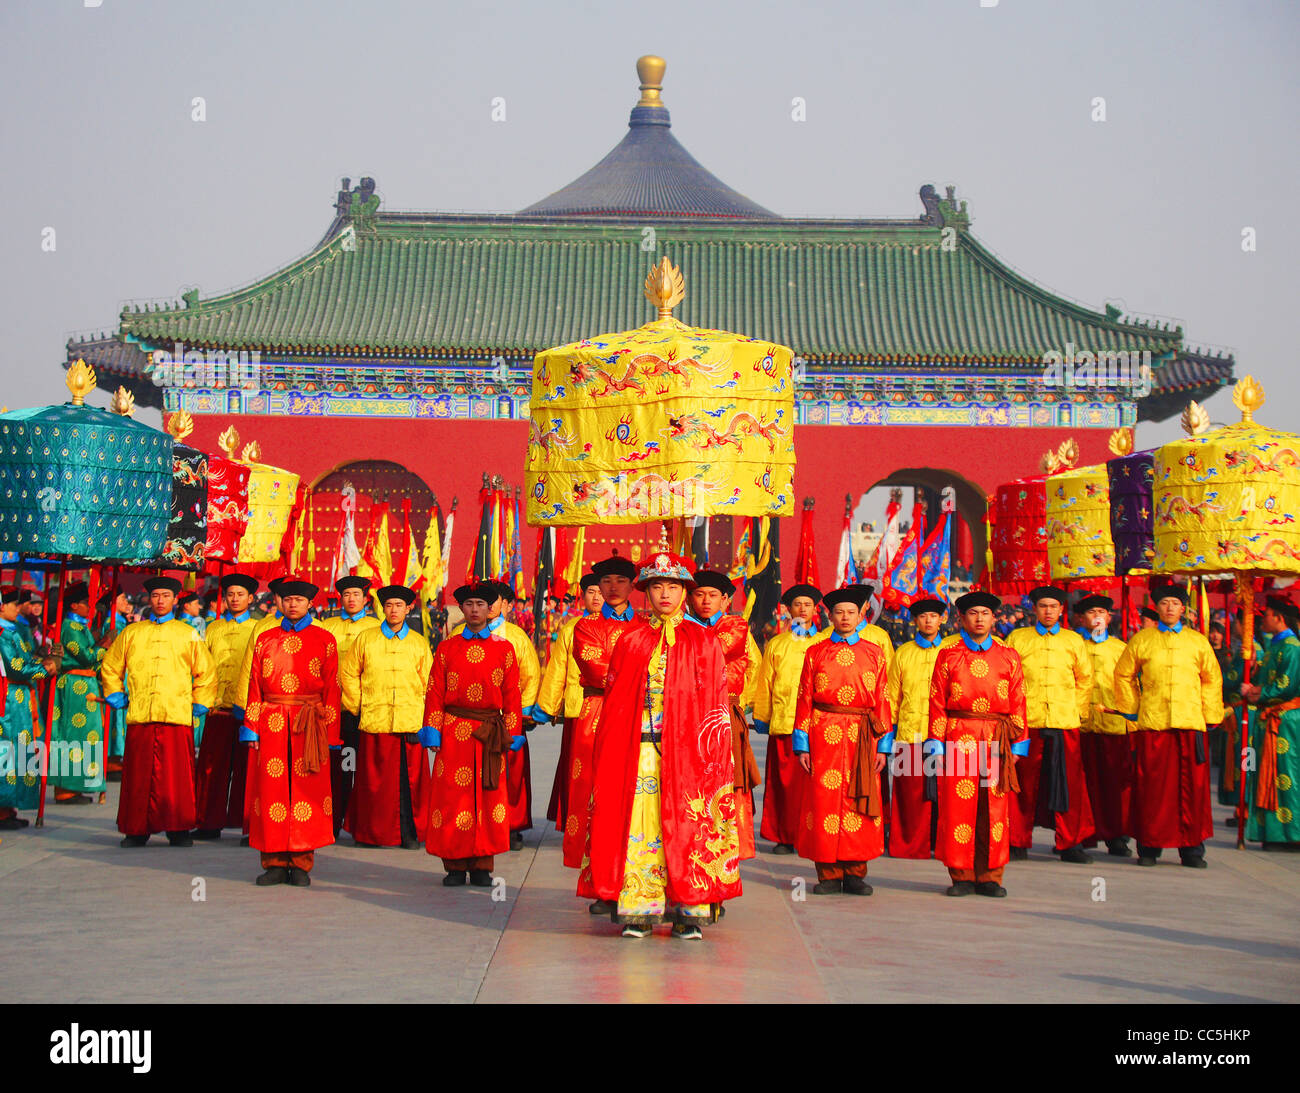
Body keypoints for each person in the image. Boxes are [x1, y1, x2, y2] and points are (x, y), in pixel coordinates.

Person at [578, 549, 741, 940]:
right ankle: (640, 908)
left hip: (691, 755)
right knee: (643, 826)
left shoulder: (704, 642)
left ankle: (689, 909)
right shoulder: (631, 640)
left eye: (672, 586)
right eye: (656, 587)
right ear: (645, 592)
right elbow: (615, 703)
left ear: (684, 591)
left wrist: (714, 753)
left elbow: (716, 703)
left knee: (689, 826)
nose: (665, 594)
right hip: (642, 750)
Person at [925, 590, 1029, 896]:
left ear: (994, 618)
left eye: (985, 613)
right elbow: (936, 701)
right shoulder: (949, 655)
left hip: (997, 736)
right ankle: (961, 875)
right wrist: (937, 744)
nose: (979, 618)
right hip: (960, 733)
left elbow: (1019, 700)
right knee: (959, 807)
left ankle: (991, 876)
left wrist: (1019, 744)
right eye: (973, 613)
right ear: (961, 619)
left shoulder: (1008, 656)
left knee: (995, 808)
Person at [420, 582, 523, 887]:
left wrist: (512, 733)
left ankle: (482, 864)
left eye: (481, 604)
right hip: (454, 731)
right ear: (462, 609)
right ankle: (453, 864)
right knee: (453, 800)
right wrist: (433, 732)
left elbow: (512, 694)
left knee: (487, 798)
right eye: (470, 604)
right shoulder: (446, 648)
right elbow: (434, 692)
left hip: (489, 732)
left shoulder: (504, 649)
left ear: (490, 609)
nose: (475, 609)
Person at [1113, 584, 1224, 868]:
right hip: (1154, 722)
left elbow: (1212, 678)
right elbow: (1123, 674)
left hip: (1189, 723)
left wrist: (1210, 715)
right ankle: (1149, 847)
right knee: (1153, 788)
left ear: (1184, 609)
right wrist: (1133, 708)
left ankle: (1192, 849)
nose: (1170, 608)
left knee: (1192, 789)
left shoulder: (1198, 641)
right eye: (1165, 603)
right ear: (1157, 607)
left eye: (1176, 603)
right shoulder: (1142, 640)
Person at [101, 576, 216, 848]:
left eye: (166, 596)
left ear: (175, 600)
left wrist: (201, 700)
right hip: (141, 712)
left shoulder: (187, 633)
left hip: (175, 713)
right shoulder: (132, 632)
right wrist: (114, 692)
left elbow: (206, 671)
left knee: (176, 777)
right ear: (149, 599)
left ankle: (178, 828)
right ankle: (136, 829)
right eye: (156, 596)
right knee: (138, 777)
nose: (160, 600)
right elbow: (111, 665)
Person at [792, 586, 892, 894]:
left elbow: (883, 700)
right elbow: (804, 699)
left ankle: (855, 872)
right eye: (839, 612)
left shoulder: (874, 653)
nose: (845, 618)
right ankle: (828, 873)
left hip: (863, 734)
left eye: (851, 612)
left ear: (862, 614)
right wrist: (802, 744)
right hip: (824, 732)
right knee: (823, 803)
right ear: (830, 615)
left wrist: (884, 746)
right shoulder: (815, 652)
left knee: (859, 801)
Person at [241, 578, 342, 886]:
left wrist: (330, 732)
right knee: (270, 791)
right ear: (280, 603)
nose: (293, 604)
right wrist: (252, 727)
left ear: (310, 603)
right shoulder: (265, 639)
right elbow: (254, 685)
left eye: (299, 600)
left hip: (309, 721)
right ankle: (273, 861)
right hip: (271, 719)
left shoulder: (325, 640)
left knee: (305, 791)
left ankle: (300, 862)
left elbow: (333, 688)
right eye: (287, 600)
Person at [555, 555, 641, 914]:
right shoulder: (585, 627)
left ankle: (637, 884)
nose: (613, 587)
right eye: (606, 582)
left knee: (638, 799)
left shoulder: (648, 625)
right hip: (598, 714)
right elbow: (594, 668)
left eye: (620, 581)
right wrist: (638, 679)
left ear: (632, 585)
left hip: (641, 716)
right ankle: (601, 885)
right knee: (597, 801)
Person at [1006, 585, 1095, 863]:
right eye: (1043, 606)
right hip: (1027, 721)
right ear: (1034, 609)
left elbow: (1085, 680)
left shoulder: (1073, 641)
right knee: (1021, 783)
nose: (1048, 611)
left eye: (1053, 607)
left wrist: (1077, 712)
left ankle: (1070, 841)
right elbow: (1008, 678)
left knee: (1069, 783)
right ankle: (1016, 839)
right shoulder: (1018, 638)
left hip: (1063, 720)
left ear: (1061, 610)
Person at [340, 584, 433, 849]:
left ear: (408, 609)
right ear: (382, 608)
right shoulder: (366, 639)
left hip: (409, 720)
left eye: (399, 606)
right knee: (373, 784)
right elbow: (348, 673)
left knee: (409, 784)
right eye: (389, 605)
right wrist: (358, 706)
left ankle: (409, 834)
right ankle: (371, 834)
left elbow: (430, 681)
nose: (393, 610)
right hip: (375, 720)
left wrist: (425, 717)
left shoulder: (418, 643)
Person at [688, 569, 762, 861]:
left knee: (730, 781)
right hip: (690, 712)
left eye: (713, 595)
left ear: (726, 599)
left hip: (724, 712)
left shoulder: (735, 626)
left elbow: (711, 654)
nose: (706, 601)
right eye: (699, 594)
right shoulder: (684, 628)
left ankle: (734, 844)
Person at [752, 583, 823, 854]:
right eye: (797, 605)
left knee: (813, 785)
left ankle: (812, 833)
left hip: (817, 724)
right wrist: (763, 714)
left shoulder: (824, 641)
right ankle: (783, 835)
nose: (802, 609)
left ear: (815, 609)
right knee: (784, 785)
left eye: (807, 604)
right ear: (788, 610)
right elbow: (766, 680)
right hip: (784, 721)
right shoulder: (778, 644)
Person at [192, 573, 260, 840]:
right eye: (231, 594)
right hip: (217, 708)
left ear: (251, 598)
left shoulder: (259, 629)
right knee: (211, 768)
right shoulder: (213, 628)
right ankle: (208, 822)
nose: (234, 599)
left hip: (248, 712)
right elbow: (203, 667)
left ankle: (248, 825)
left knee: (248, 771)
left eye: (240, 594)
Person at [535, 572, 603, 831]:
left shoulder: (619, 627)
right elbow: (558, 669)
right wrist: (547, 707)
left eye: (600, 591)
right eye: (591, 592)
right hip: (577, 707)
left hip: (608, 708)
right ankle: (575, 821)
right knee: (577, 769)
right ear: (583, 596)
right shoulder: (570, 629)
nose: (596, 597)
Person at [884, 596, 948, 859]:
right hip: (910, 732)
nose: (928, 621)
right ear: (915, 620)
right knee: (910, 795)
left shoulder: (951, 650)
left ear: (942, 619)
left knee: (946, 793)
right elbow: (892, 697)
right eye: (923, 616)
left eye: (933, 616)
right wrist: (888, 737)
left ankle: (941, 842)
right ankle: (909, 844)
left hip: (946, 734)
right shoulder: (903, 653)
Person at [318, 576, 381, 834]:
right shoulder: (327, 626)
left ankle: (359, 824)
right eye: (346, 595)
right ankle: (331, 822)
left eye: (356, 594)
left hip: (364, 710)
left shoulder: (375, 628)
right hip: (332, 710)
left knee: (362, 769)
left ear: (366, 599)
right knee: (336, 769)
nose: (351, 599)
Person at [1074, 594, 1134, 857]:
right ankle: (1080, 835)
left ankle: (1117, 836)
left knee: (1115, 785)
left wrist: (1133, 722)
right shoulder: (1074, 646)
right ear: (1081, 618)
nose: (1096, 616)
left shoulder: (1122, 649)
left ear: (1110, 617)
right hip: (1081, 723)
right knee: (1080, 785)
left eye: (1101, 611)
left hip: (1114, 723)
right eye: (1091, 612)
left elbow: (1132, 687)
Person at [1243, 595, 1300, 850]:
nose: (1262, 619)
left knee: (1286, 777)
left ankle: (1290, 834)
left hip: (1284, 721)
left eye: (1265, 614)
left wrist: (1254, 691)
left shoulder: (1291, 647)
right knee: (1266, 774)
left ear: (1278, 617)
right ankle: (1272, 832)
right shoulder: (1275, 646)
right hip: (1270, 719)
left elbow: (1286, 686)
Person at [0, 587, 58, 829]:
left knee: (21, 749)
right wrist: (45, 669)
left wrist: (43, 659)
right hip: (8, 699)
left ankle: (9, 806)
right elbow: (15, 668)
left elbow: (25, 661)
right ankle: (2, 806)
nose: (17, 608)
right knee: (8, 751)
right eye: (13, 604)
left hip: (21, 697)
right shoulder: (2, 634)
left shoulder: (12, 632)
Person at [49, 581, 107, 805]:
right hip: (75, 685)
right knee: (72, 735)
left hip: (86, 684)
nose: (88, 608)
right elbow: (84, 655)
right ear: (73, 606)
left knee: (87, 736)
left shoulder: (80, 627)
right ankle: (66, 788)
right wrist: (105, 644)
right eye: (85, 603)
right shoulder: (69, 628)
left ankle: (78, 784)